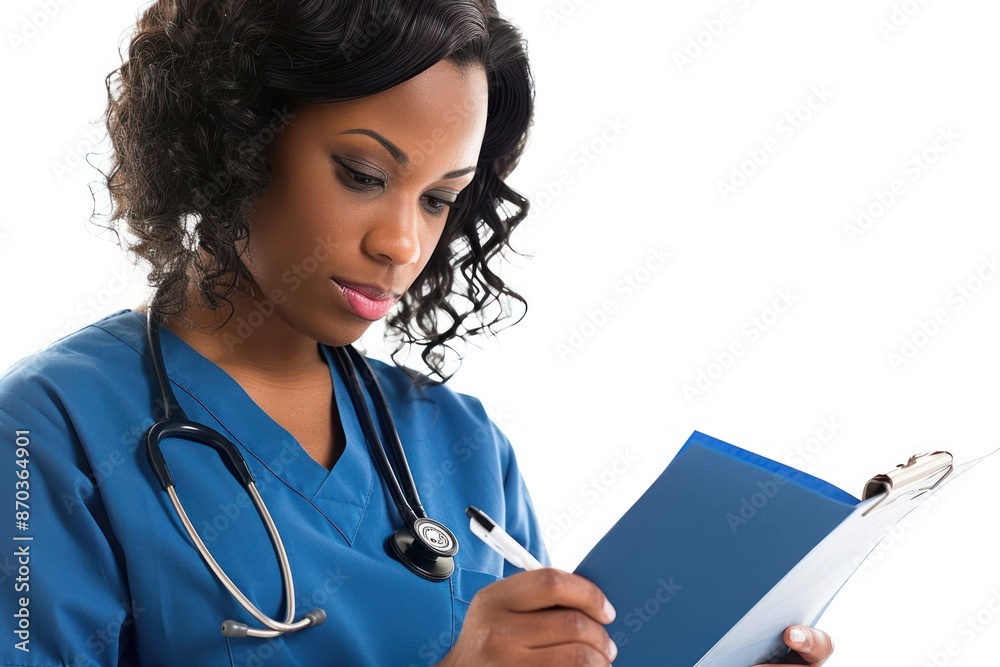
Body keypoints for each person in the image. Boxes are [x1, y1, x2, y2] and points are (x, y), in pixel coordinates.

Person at [0, 1, 835, 665]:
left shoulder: (463, 446)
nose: (403, 243)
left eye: (439, 199)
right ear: (233, 139)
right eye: (363, 175)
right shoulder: (49, 431)